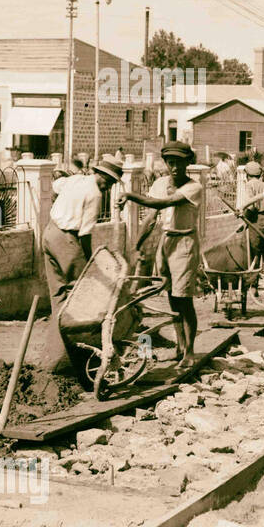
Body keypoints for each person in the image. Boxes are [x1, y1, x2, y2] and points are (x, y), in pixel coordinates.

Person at [123, 142, 202, 369]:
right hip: (165, 242)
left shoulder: (193, 187)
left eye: (179, 162)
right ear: (166, 163)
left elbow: (164, 202)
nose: (175, 167)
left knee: (184, 299)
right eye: (171, 162)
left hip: (185, 243)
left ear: (188, 163)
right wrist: (136, 245)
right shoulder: (159, 183)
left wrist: (130, 195)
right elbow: (151, 216)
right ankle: (179, 347)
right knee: (171, 297)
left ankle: (190, 351)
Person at [42, 158, 123, 308]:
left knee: (57, 290)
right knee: (80, 287)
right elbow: (85, 235)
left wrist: (61, 207)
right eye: (110, 182)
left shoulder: (75, 179)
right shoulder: (95, 194)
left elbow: (54, 189)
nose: (109, 187)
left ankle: (58, 330)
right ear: (101, 175)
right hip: (66, 240)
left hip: (49, 233)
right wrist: (89, 262)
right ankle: (81, 329)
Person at [241, 161, 264, 282]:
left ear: (247, 174)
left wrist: (244, 218)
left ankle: (253, 285)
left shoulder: (250, 185)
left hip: (256, 221)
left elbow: (251, 207)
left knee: (254, 253)